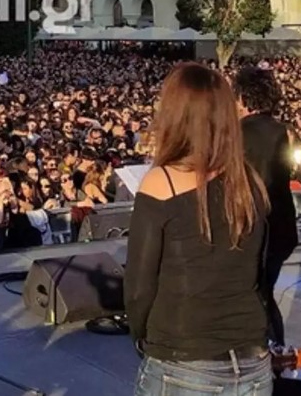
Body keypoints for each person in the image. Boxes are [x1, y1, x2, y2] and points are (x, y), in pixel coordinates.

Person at [125, 63, 272, 396]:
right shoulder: (249, 181)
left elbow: (138, 287)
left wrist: (141, 337)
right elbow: (259, 270)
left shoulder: (162, 182)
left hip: (183, 360)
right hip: (252, 360)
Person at [233, 65, 299, 345]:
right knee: (264, 292)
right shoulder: (282, 131)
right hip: (282, 225)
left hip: (254, 226)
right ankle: (277, 350)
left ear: (243, 98)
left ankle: (266, 353)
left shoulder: (236, 133)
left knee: (255, 296)